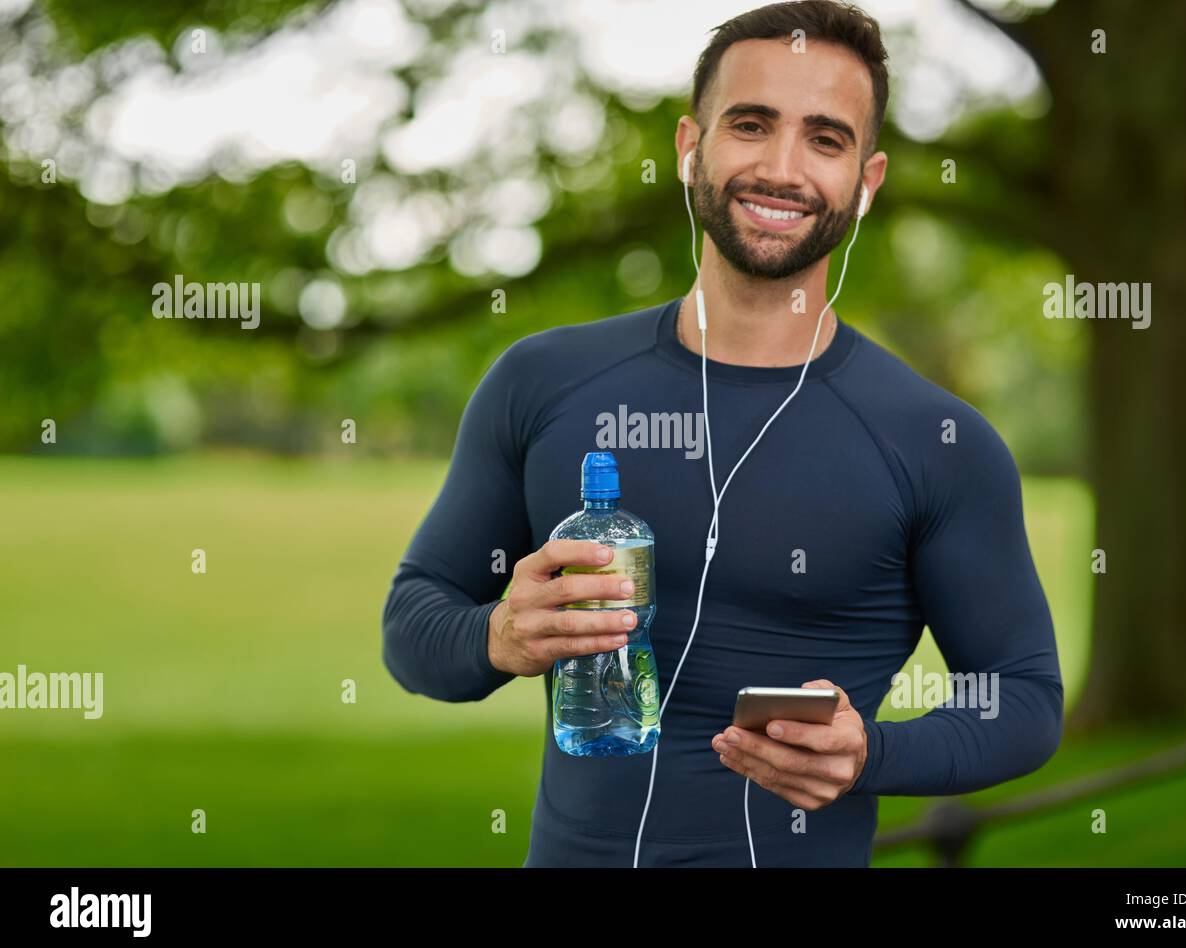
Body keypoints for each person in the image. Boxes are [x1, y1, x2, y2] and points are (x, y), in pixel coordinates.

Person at [382, 0, 1063, 867]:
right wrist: (497, 636)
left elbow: (1025, 698)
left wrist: (872, 753)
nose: (782, 168)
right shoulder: (542, 382)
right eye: (751, 124)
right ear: (688, 147)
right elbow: (413, 621)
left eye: (826, 138)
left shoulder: (937, 442)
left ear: (867, 179)